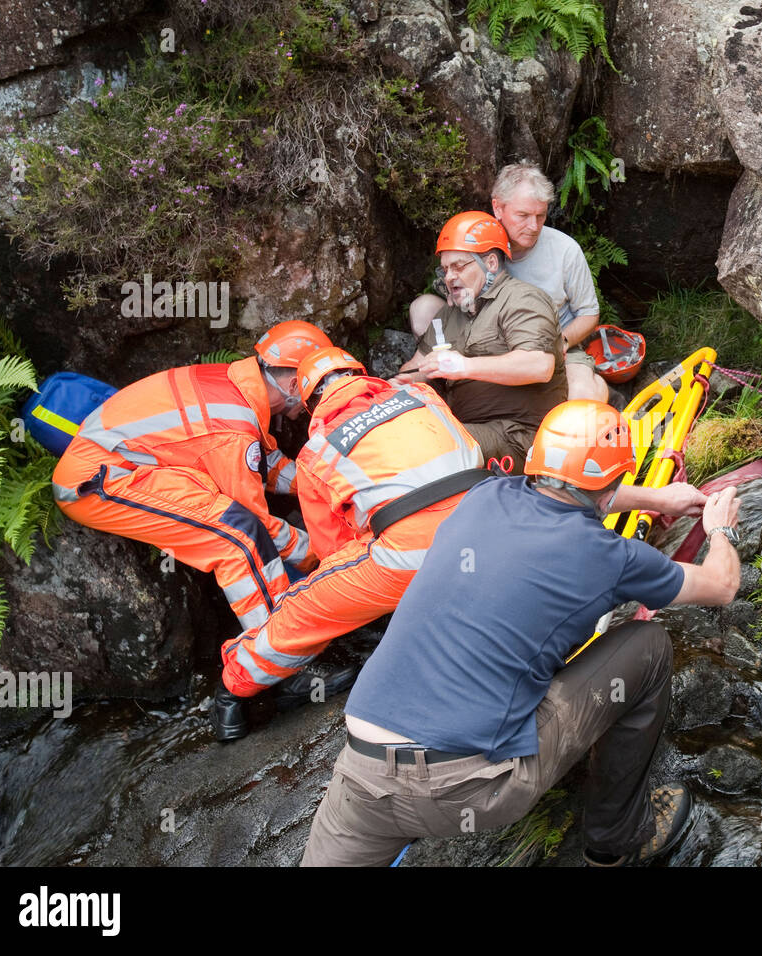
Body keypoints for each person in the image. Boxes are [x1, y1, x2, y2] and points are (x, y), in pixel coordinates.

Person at [300, 400, 742, 867]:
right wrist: (720, 532)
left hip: (363, 773)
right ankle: (617, 840)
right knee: (649, 647)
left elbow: (576, 491)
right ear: (613, 483)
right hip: (472, 789)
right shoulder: (609, 555)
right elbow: (722, 586)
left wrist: (656, 498)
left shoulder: (483, 496)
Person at [212, 346, 486, 741]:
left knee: (303, 606)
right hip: (490, 528)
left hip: (411, 557)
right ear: (361, 372)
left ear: (309, 401)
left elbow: (336, 552)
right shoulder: (423, 396)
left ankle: (233, 690)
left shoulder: (318, 451)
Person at [51, 320, 326, 633]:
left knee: (241, 524)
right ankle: (278, 652)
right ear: (294, 387)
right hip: (99, 481)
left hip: (131, 460)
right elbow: (255, 521)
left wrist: (324, 487)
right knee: (239, 537)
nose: (314, 401)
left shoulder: (232, 382)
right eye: (315, 387)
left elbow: (264, 461)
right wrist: (321, 553)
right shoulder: (234, 431)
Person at [409, 164, 610, 403]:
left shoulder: (565, 250)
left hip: (548, 345)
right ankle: (442, 381)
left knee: (583, 394)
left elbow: (589, 313)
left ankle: (600, 397)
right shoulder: (476, 239)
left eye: (540, 216)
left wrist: (561, 342)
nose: (534, 227)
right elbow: (450, 280)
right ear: (498, 208)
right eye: (523, 216)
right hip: (484, 336)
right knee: (423, 308)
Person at [391, 211, 567, 473]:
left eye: (459, 266)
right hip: (464, 429)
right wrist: (397, 384)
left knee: (425, 447)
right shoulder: (449, 315)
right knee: (391, 438)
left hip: (521, 438)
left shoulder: (522, 299)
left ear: (491, 263)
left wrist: (463, 367)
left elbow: (538, 365)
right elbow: (418, 366)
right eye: (445, 269)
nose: (449, 277)